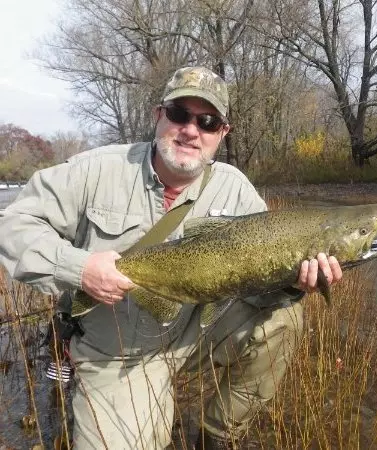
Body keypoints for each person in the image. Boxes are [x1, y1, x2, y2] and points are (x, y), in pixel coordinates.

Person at [0, 66, 342, 449]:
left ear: (222, 133)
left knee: (284, 317)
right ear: (158, 115)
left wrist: (292, 283)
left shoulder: (235, 190)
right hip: (117, 357)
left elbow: (260, 288)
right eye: (180, 114)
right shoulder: (95, 170)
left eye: (208, 121)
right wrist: (79, 269)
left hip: (192, 338)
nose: (191, 130)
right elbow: (14, 225)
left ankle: (216, 436)